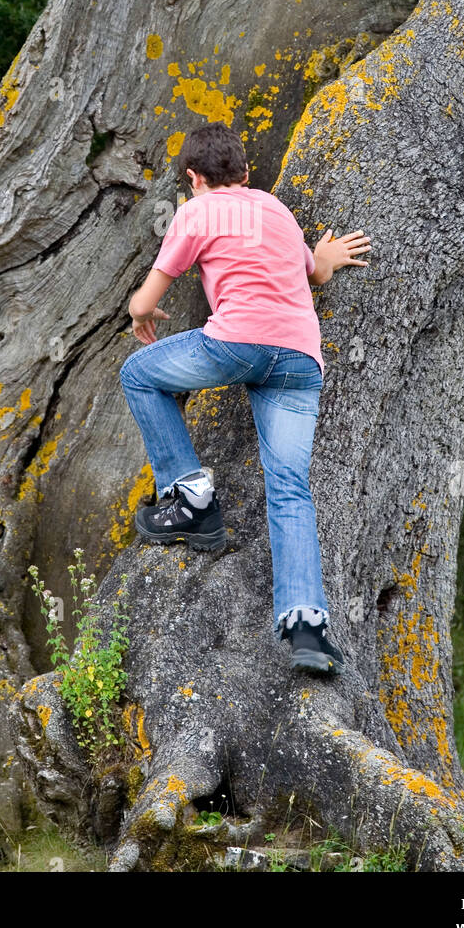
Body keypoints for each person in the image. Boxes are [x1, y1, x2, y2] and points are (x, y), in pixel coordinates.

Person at [119, 124, 371, 674]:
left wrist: (141, 314)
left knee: (139, 373)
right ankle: (307, 629)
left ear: (193, 178)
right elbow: (316, 271)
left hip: (236, 344)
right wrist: (327, 251)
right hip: (300, 359)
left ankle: (192, 500)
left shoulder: (196, 212)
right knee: (289, 490)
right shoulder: (276, 211)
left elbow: (149, 295)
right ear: (246, 174)